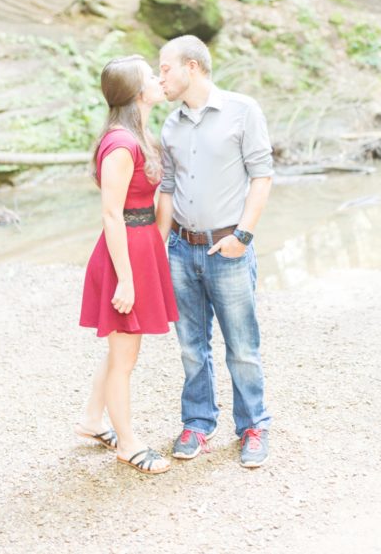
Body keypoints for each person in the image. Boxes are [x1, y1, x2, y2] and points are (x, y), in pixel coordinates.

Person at [155, 35, 273, 468]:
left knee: (242, 345)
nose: (159, 77)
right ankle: (198, 423)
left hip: (229, 249)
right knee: (190, 345)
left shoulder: (243, 110)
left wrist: (242, 235)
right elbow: (167, 190)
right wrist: (158, 249)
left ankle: (254, 426)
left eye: (165, 68)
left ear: (192, 66)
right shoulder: (170, 126)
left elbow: (262, 176)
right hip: (181, 250)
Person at [76, 55, 178, 475]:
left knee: (120, 347)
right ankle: (128, 444)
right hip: (125, 254)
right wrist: (126, 279)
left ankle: (90, 419)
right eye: (152, 76)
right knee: (125, 357)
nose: (159, 79)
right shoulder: (121, 144)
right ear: (138, 93)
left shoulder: (139, 134)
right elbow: (111, 214)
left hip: (140, 245)